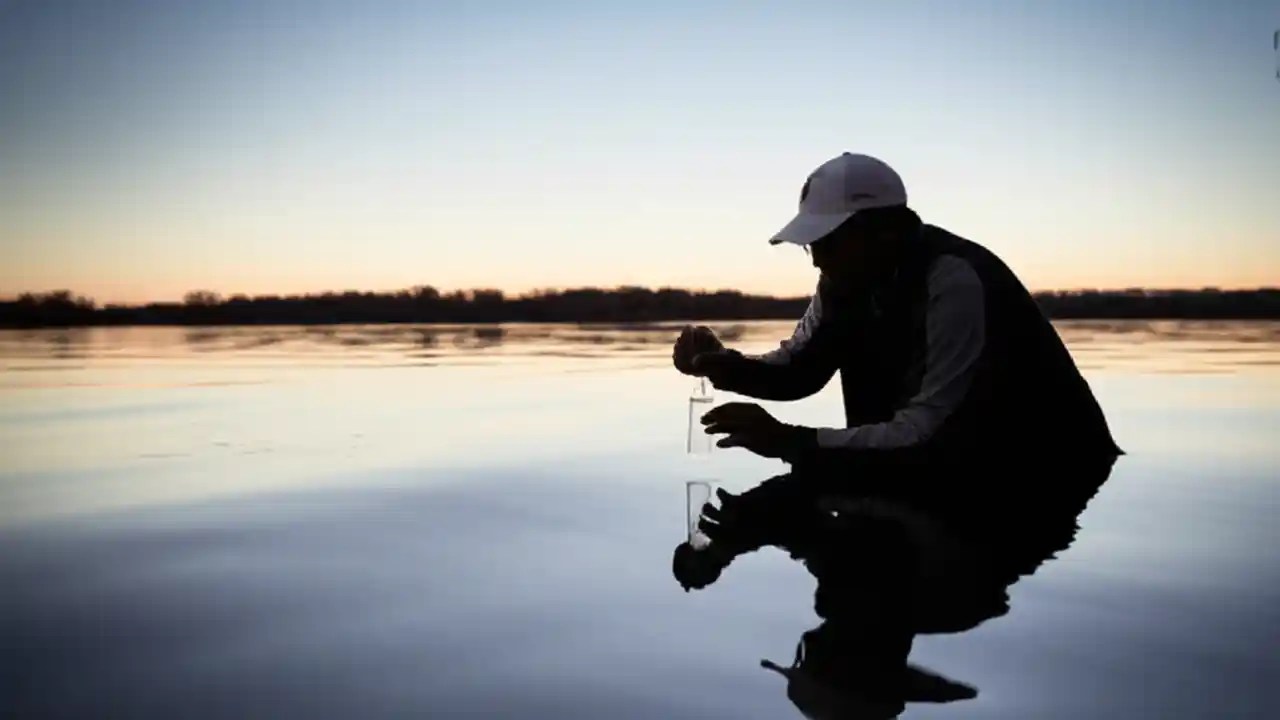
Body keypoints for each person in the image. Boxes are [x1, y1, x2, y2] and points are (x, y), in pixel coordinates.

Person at [673, 151, 1121, 472]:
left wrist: (788, 441)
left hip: (1046, 479)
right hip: (929, 475)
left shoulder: (955, 280)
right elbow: (800, 368)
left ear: (882, 231)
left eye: (827, 241)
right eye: (812, 244)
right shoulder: (845, 279)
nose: (816, 259)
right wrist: (722, 365)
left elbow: (929, 433)